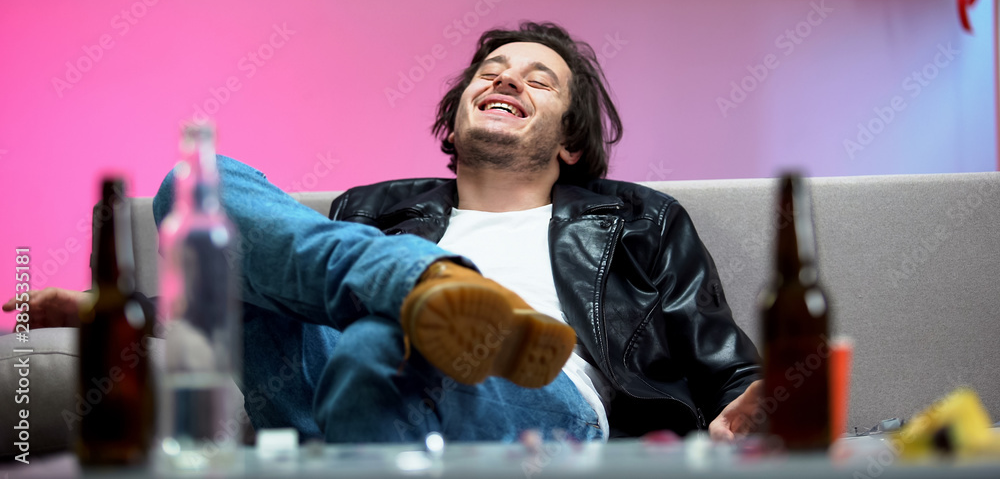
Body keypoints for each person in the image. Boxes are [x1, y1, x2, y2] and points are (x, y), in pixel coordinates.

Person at [6, 22, 763, 444]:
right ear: (456, 113)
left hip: (542, 410)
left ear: (570, 141)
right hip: (332, 383)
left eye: (538, 79)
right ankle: (423, 285)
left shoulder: (638, 220)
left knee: (379, 345)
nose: (504, 80)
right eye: (491, 71)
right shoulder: (374, 208)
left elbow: (726, 364)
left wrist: (758, 403)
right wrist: (122, 310)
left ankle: (423, 300)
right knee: (195, 183)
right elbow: (270, 298)